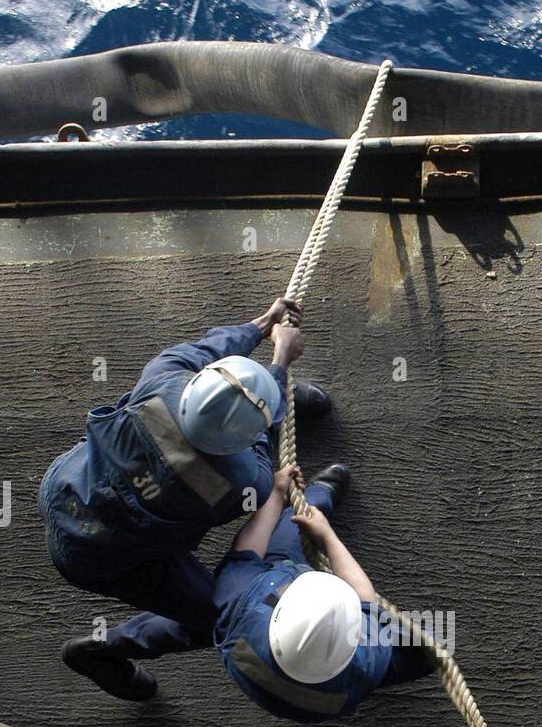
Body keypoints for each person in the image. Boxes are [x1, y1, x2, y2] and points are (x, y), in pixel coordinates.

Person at [38, 296, 330, 700]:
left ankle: (267, 394)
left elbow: (207, 351)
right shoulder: (246, 479)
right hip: (102, 556)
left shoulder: (164, 377)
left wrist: (261, 325)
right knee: (218, 615)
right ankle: (101, 652)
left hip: (67, 490)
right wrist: (279, 362)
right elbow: (258, 449)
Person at [212, 462, 434, 723]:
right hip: (326, 694)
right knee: (430, 646)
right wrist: (327, 537)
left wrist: (274, 495)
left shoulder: (244, 602)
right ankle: (319, 497)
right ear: (353, 640)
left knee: (289, 533)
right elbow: (365, 600)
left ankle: (319, 494)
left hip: (266, 682)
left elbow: (245, 555)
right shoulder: (363, 664)